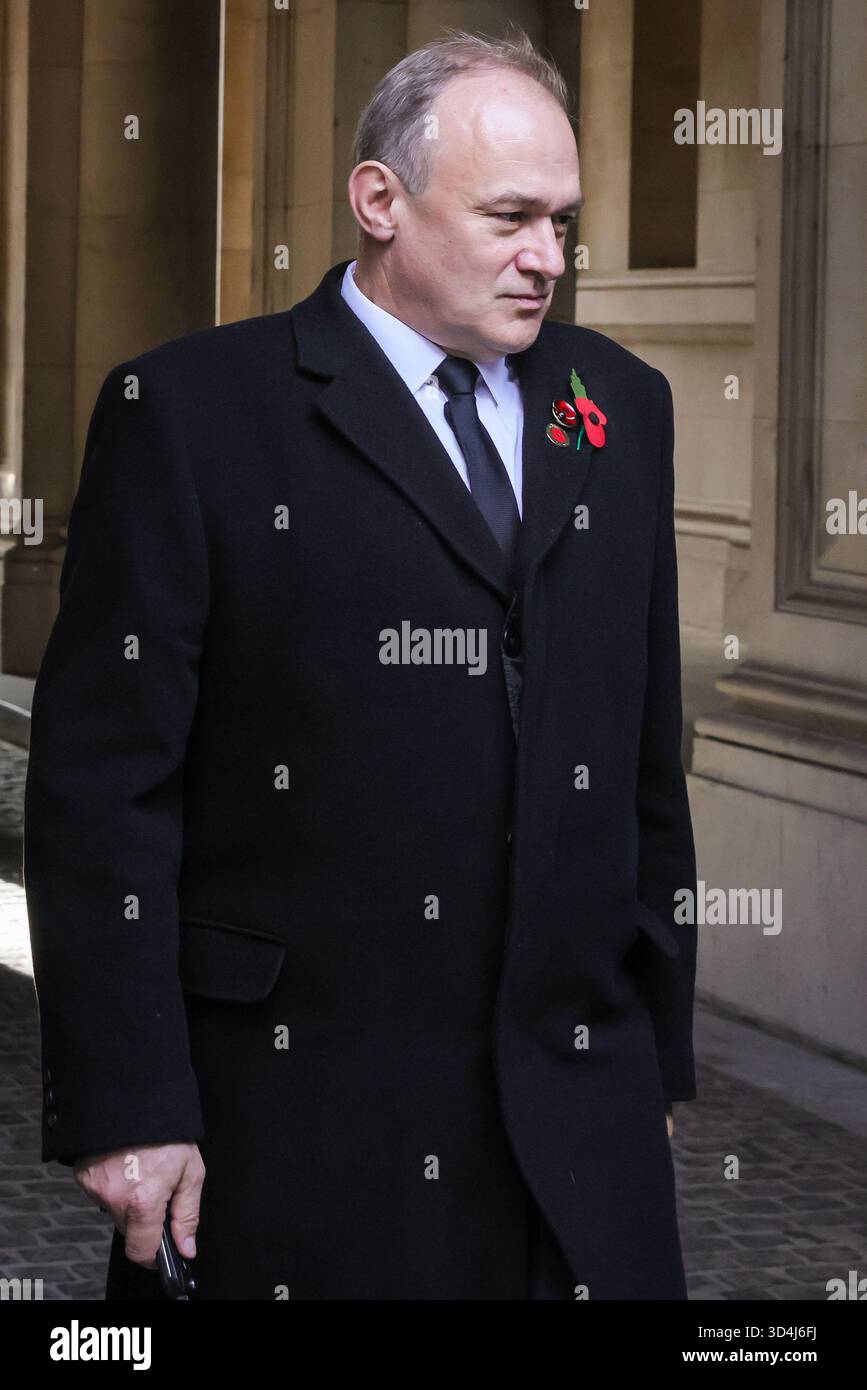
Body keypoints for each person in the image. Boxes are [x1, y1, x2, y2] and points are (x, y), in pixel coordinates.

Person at [24, 27, 697, 1300]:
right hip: (295, 1121)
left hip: (579, 1122)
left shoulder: (623, 403)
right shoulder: (190, 414)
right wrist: (130, 1104)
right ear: (379, 200)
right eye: (510, 217)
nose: (549, 258)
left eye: (563, 222)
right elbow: (103, 788)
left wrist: (653, 1060)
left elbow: (642, 758)